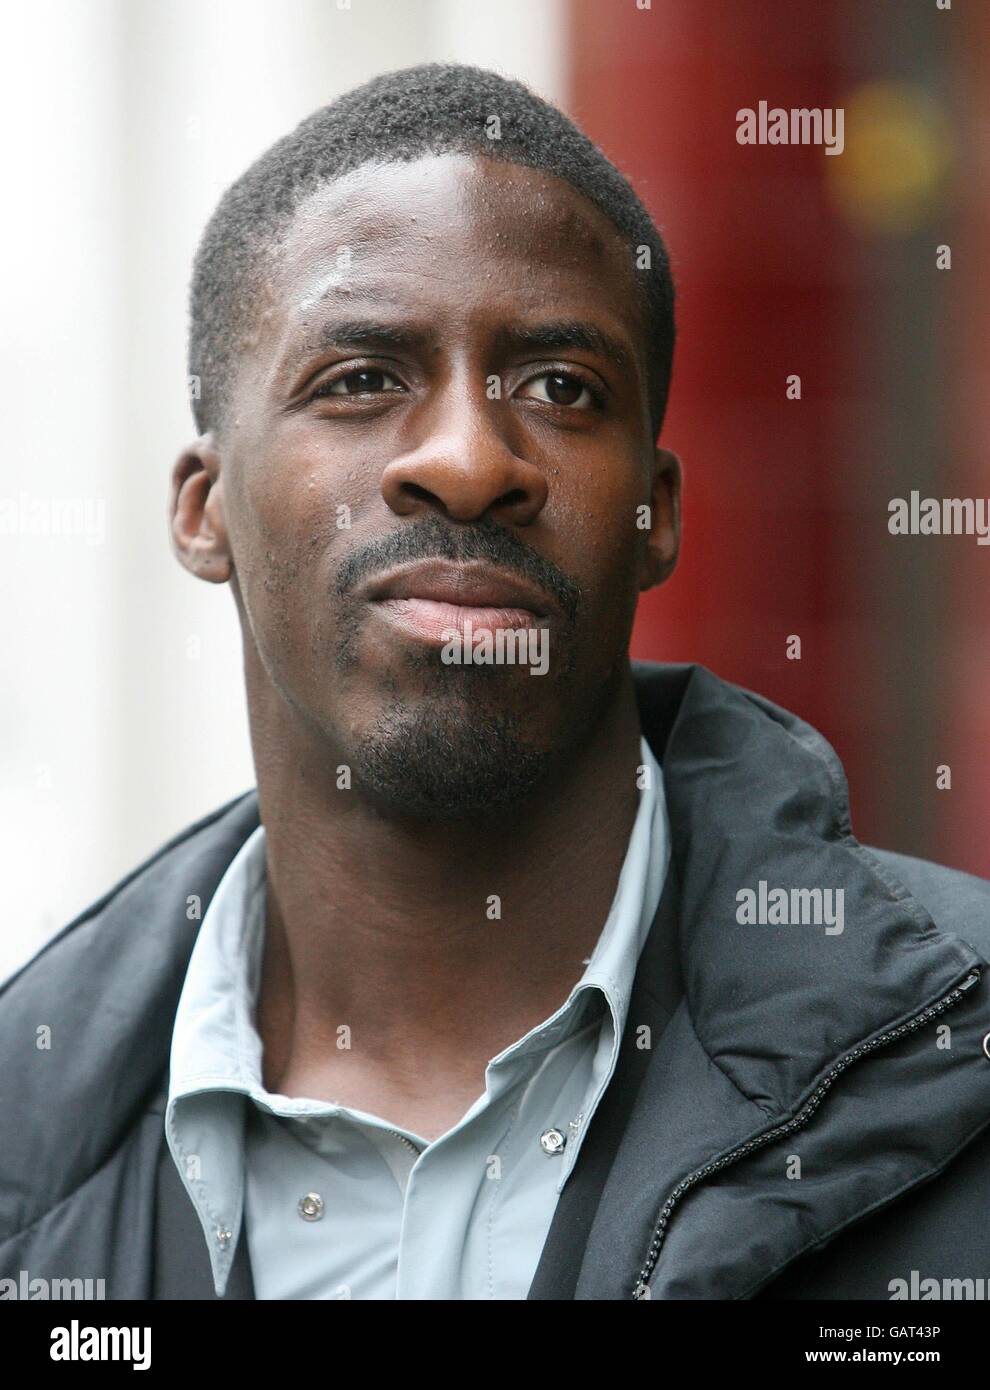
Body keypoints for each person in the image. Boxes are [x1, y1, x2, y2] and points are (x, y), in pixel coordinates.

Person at [3, 63, 989, 1303]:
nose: (470, 461)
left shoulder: (962, 1050)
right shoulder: (26, 1147)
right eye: (360, 378)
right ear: (205, 512)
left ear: (655, 514)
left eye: (560, 389)